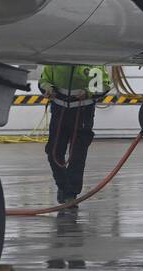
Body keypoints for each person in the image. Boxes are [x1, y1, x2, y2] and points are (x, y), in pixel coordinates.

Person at [39, 63, 111, 206]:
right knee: (53, 152)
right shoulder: (55, 61)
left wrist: (88, 92)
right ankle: (64, 187)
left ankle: (71, 194)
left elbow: (104, 85)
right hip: (60, 112)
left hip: (83, 112)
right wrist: (48, 89)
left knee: (77, 154)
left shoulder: (93, 63)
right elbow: (44, 80)